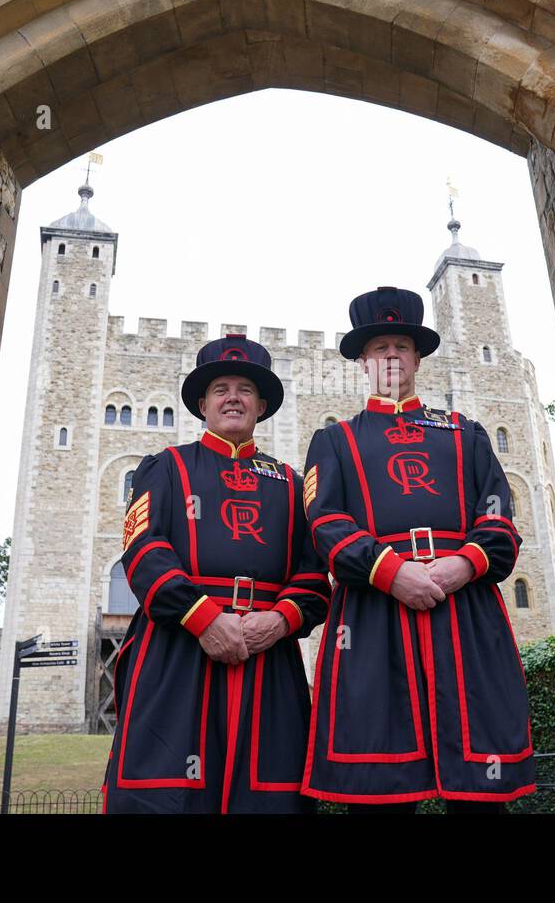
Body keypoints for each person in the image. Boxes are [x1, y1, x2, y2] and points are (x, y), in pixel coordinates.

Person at [299, 287, 534, 812]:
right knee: (382, 790)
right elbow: (326, 525)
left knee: (481, 787)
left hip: (466, 608)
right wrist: (391, 572)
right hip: (372, 616)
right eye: (378, 347)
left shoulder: (466, 434)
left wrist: (459, 566)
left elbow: (498, 518)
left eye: (400, 347)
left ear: (417, 357)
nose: (389, 356)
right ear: (362, 361)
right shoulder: (334, 441)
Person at [102, 333, 329, 813]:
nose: (232, 397)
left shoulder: (290, 482)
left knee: (272, 798)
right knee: (168, 797)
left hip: (269, 659)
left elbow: (313, 578)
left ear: (261, 404)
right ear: (202, 403)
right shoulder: (165, 467)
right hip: (177, 651)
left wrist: (280, 620)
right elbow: (142, 550)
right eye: (221, 388)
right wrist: (203, 618)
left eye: (244, 389)